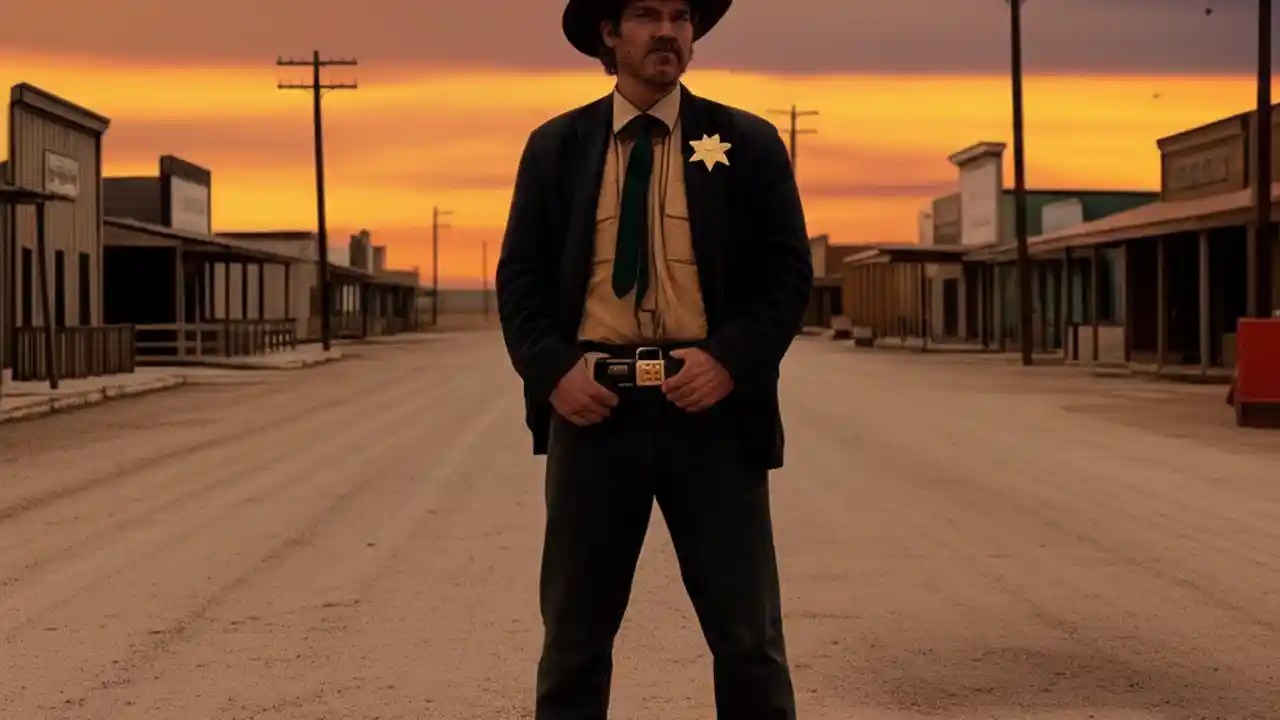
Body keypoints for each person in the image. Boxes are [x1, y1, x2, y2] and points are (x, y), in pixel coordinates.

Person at [495, 0, 813, 716]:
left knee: (748, 640)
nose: (667, 31)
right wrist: (552, 373)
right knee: (574, 639)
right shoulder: (556, 149)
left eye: (680, 16)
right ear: (609, 34)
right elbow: (520, 283)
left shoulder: (748, 144)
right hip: (594, 410)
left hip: (712, 414)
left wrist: (729, 360)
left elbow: (788, 277)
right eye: (645, 14)